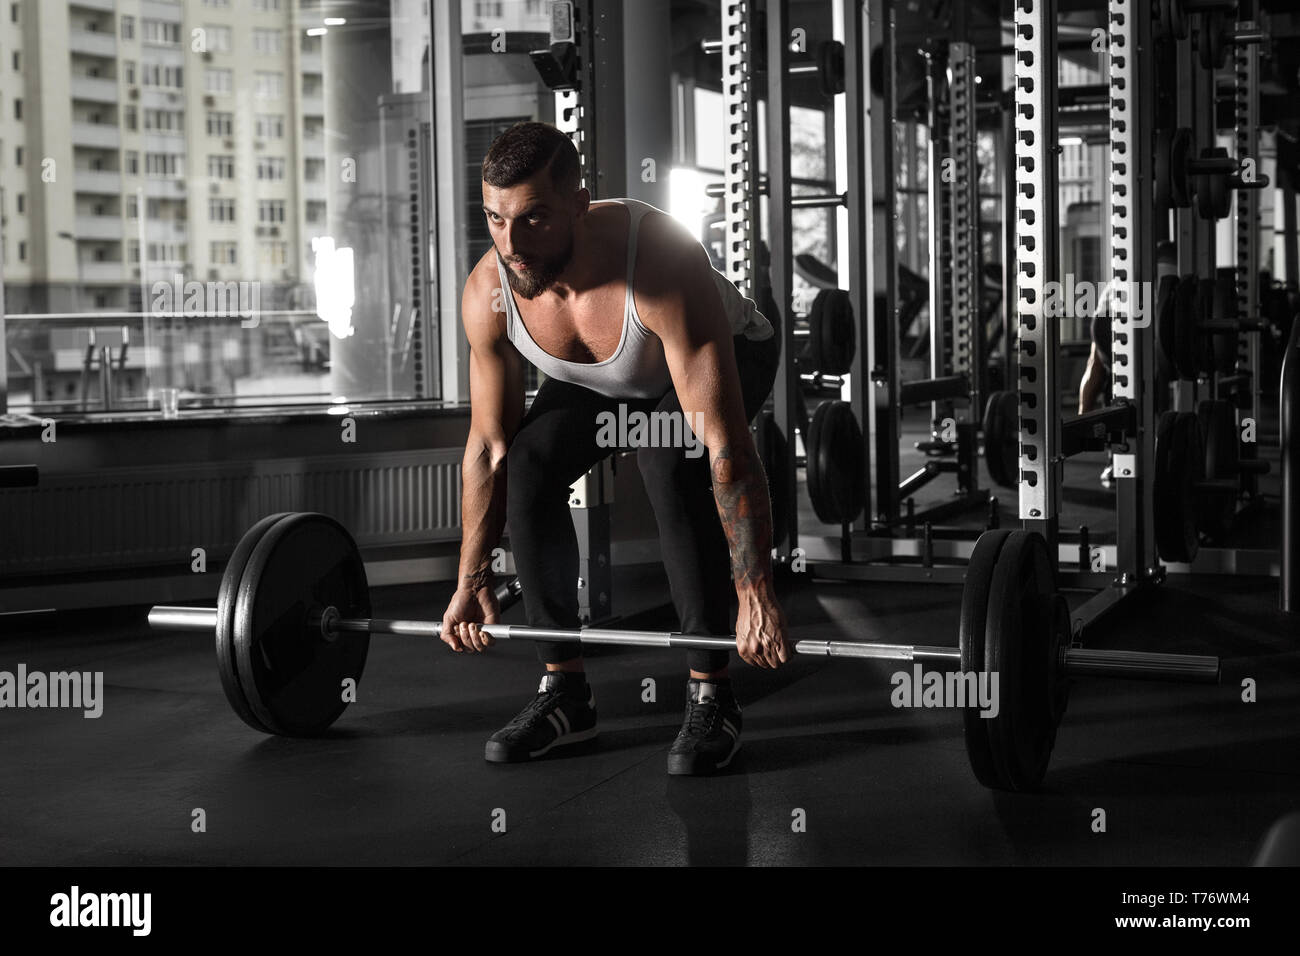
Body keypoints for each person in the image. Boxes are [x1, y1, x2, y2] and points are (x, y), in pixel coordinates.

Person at [440, 121, 791, 776]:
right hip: (606, 377)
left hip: (725, 348)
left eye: (533, 219)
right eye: (494, 218)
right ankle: (565, 693)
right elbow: (487, 446)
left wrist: (757, 592)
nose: (510, 244)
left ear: (578, 205)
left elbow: (725, 447)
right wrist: (472, 577)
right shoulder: (490, 290)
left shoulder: (657, 264)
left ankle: (711, 692)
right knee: (528, 462)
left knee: (671, 457)